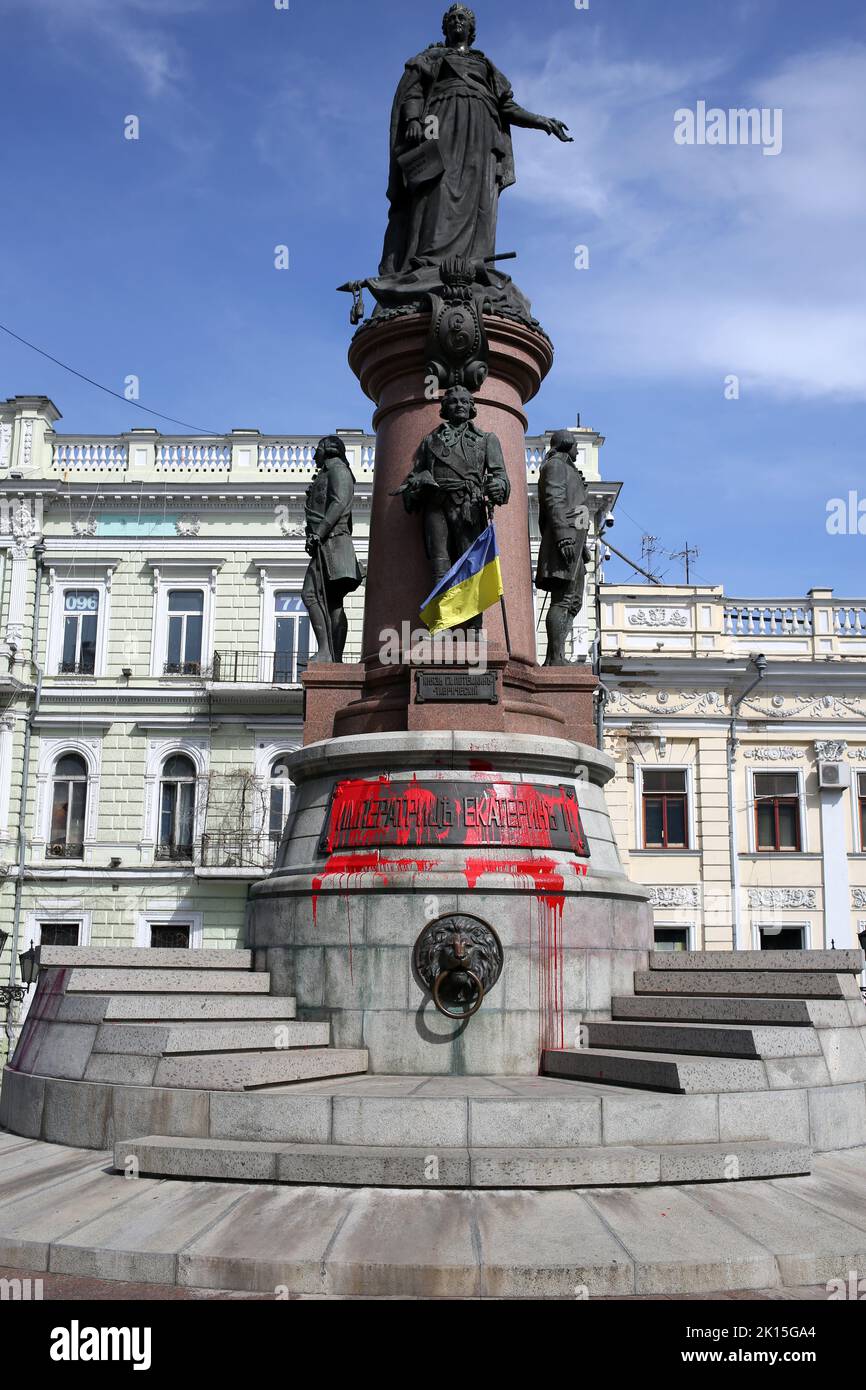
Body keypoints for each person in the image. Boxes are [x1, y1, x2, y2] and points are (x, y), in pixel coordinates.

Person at [371, 4, 573, 320]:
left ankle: (474, 264)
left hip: (480, 133)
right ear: (445, 28)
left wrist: (543, 121)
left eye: (462, 19)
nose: (456, 23)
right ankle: (429, 263)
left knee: (479, 198)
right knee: (438, 190)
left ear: (471, 28)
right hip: (441, 125)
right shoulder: (433, 59)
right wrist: (413, 119)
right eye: (451, 19)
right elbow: (413, 91)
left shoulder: (484, 65)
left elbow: (507, 106)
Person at [398, 385, 510, 588]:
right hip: (435, 505)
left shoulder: (486, 440)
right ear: (445, 408)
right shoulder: (431, 441)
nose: (459, 405)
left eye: (464, 401)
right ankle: (441, 618)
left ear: (471, 407)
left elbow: (500, 476)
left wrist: (497, 487)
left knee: (471, 564)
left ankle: (475, 620)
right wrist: (415, 485)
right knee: (439, 563)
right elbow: (415, 475)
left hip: (468, 505)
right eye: (453, 401)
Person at [302, 437, 363, 663]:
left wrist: (320, 531)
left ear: (329, 449)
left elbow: (338, 502)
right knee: (333, 600)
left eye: (317, 449)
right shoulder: (328, 472)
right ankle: (332, 656)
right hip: (328, 543)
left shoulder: (338, 470)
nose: (314, 455)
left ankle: (327, 652)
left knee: (311, 594)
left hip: (333, 543)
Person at [535, 431, 591, 666]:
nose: (578, 450)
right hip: (564, 542)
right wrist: (564, 538)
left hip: (575, 544)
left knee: (574, 601)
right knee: (563, 599)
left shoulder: (568, 469)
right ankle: (554, 658)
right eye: (576, 446)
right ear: (567, 444)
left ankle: (556, 656)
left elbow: (576, 508)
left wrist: (583, 547)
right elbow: (554, 501)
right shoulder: (555, 466)